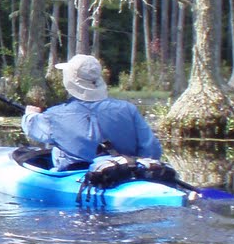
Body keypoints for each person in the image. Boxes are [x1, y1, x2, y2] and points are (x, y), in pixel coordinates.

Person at [22, 53, 163, 169]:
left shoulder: (54, 115)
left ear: (69, 81)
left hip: (75, 175)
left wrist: (30, 114)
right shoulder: (128, 109)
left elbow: (33, 128)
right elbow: (152, 150)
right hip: (124, 172)